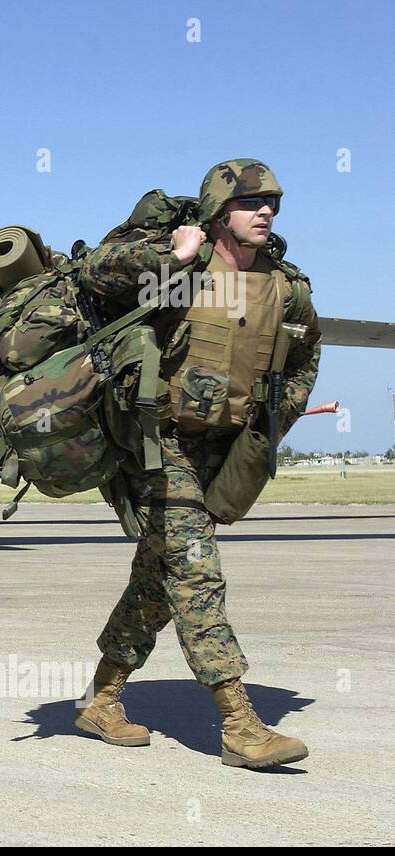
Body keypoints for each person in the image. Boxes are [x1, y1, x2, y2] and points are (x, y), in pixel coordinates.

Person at [76, 159, 321, 769]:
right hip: (161, 447)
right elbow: (92, 273)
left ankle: (102, 699)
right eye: (251, 202)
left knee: (157, 580)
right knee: (195, 572)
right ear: (218, 212)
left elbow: (304, 358)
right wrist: (169, 255)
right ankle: (239, 724)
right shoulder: (182, 271)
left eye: (273, 204)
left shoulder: (287, 286)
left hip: (230, 449)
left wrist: (273, 422)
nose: (265, 211)